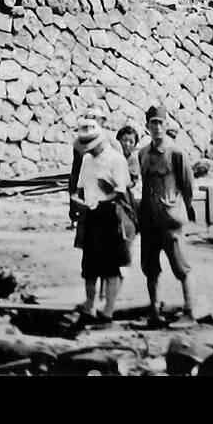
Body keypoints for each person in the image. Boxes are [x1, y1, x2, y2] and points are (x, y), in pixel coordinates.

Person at [137, 106, 198, 327]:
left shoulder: (177, 153)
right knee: (150, 268)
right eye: (153, 123)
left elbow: (188, 187)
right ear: (147, 127)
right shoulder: (142, 153)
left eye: (161, 123)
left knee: (182, 268)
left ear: (166, 124)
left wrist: (184, 210)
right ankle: (154, 310)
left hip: (170, 219)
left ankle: (190, 312)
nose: (157, 128)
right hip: (149, 220)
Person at [71, 119, 135, 321]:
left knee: (110, 265)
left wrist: (102, 200)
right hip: (90, 215)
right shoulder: (87, 160)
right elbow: (80, 186)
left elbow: (121, 190)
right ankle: (89, 305)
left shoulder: (116, 159)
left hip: (109, 214)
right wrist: (78, 201)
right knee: (89, 264)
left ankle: (108, 309)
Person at [116, 125, 141, 199]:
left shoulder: (133, 160)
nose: (127, 144)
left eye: (131, 142)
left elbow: (132, 183)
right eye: (124, 140)